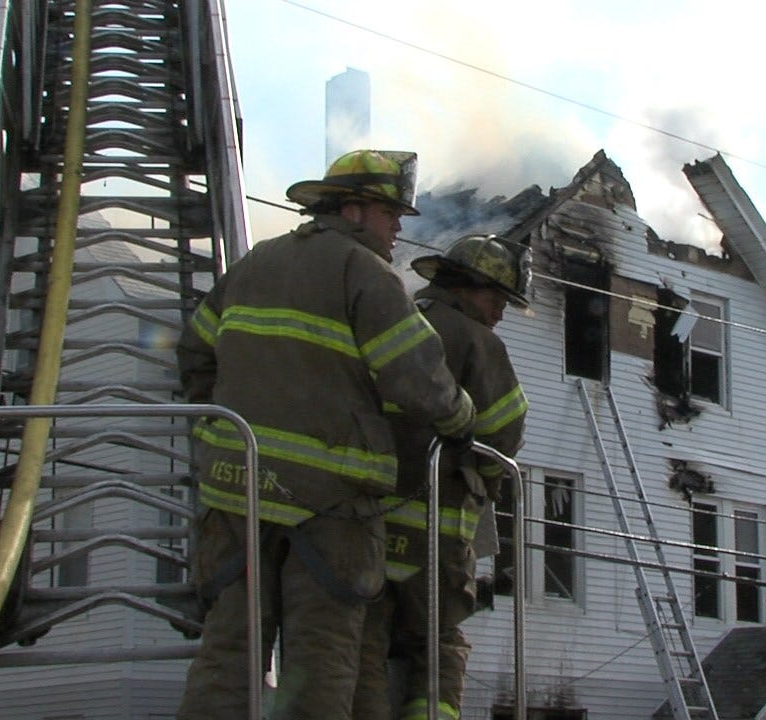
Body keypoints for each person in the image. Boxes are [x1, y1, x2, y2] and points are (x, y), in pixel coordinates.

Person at [174, 150, 476, 720]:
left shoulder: (255, 263)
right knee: (321, 658)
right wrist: (461, 421)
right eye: (390, 214)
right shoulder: (366, 274)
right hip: (330, 504)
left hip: (236, 492)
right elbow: (417, 377)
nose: (397, 229)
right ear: (354, 209)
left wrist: (218, 428)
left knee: (228, 651)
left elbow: (195, 352)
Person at [354, 234, 531, 720]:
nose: (500, 313)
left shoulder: (396, 324)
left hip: (365, 522)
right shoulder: (476, 340)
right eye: (497, 300)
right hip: (435, 530)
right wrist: (485, 480)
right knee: (439, 643)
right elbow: (504, 432)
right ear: (467, 287)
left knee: (366, 645)